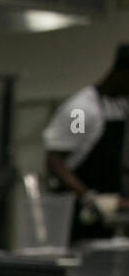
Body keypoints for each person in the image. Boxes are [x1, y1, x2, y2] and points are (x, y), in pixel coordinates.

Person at [43, 44, 129, 241]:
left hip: (107, 213)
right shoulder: (81, 111)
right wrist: (89, 198)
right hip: (77, 214)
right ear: (122, 73)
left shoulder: (118, 106)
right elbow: (55, 162)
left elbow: (110, 157)